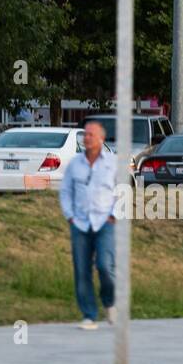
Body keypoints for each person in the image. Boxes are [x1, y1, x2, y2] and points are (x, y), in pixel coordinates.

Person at [58, 121, 117, 330]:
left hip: (105, 222)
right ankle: (89, 315)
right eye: (85, 135)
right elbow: (65, 191)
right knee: (82, 270)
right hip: (80, 223)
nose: (87, 138)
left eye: (91, 135)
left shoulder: (112, 163)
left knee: (104, 266)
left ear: (101, 138)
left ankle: (110, 302)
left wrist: (114, 214)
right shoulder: (75, 164)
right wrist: (70, 216)